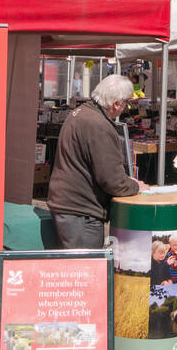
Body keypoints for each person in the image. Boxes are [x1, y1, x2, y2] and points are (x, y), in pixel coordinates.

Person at [48, 75, 143, 249]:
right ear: (116, 103)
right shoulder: (98, 125)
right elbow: (113, 181)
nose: (125, 108)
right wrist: (136, 186)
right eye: (126, 104)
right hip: (81, 211)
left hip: (69, 205)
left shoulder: (81, 113)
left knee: (75, 267)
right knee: (84, 270)